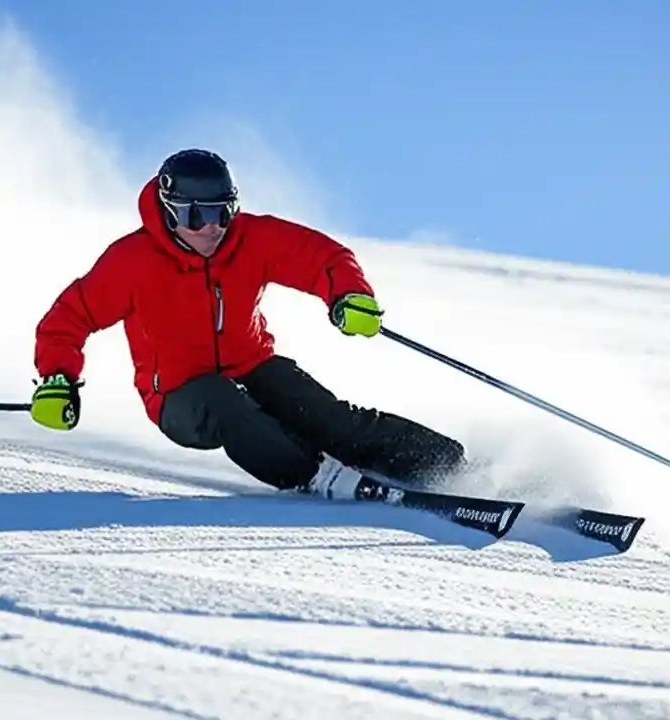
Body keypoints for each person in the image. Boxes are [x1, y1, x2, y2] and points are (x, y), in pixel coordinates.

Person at [30, 148, 465, 498]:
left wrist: (349, 295)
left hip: (252, 363)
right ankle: (317, 476)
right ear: (168, 211)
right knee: (226, 403)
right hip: (180, 397)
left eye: (222, 212)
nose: (211, 227)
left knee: (329, 419)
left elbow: (324, 258)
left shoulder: (249, 240)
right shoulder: (132, 262)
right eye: (194, 216)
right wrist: (57, 379)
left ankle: (451, 467)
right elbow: (68, 319)